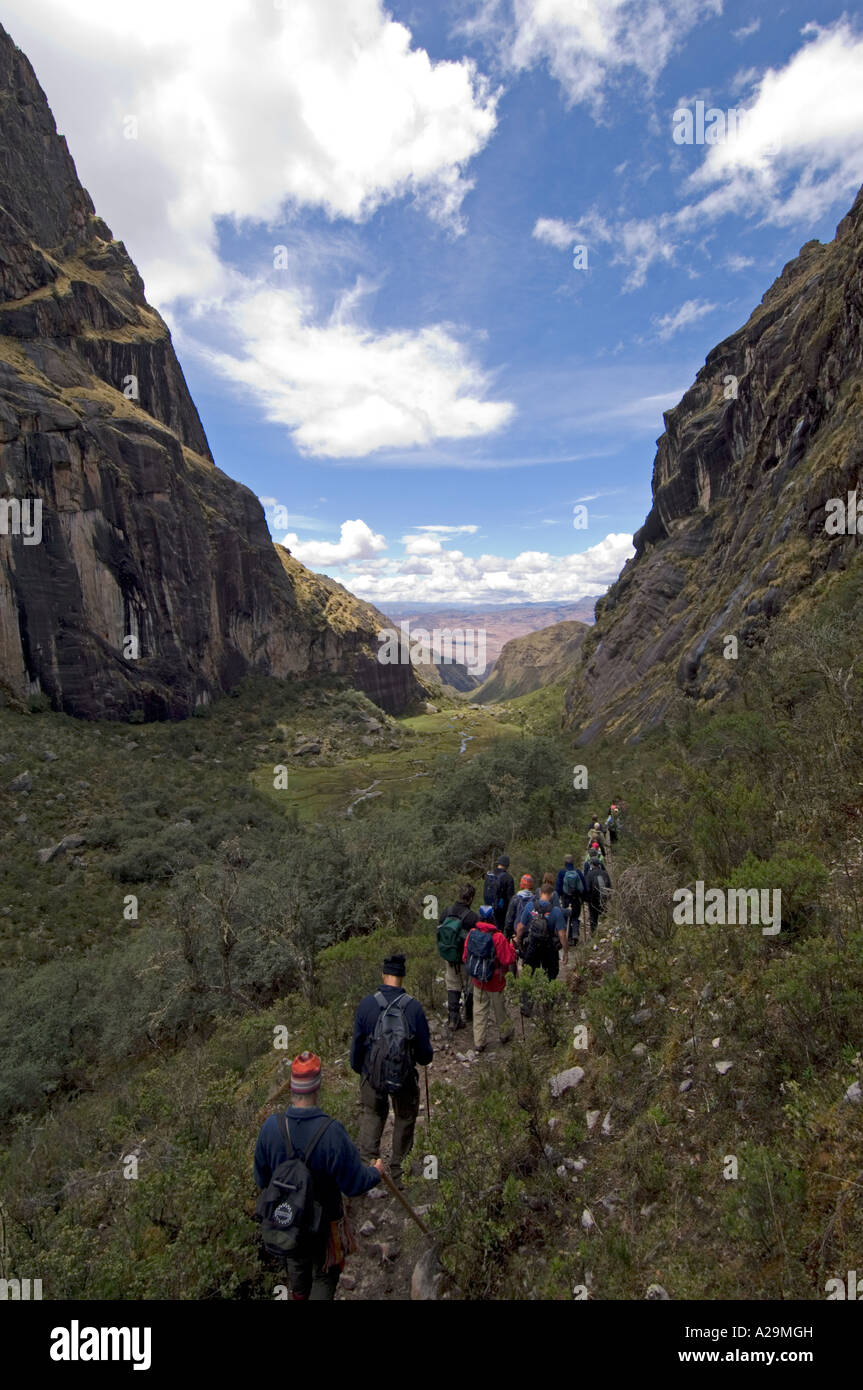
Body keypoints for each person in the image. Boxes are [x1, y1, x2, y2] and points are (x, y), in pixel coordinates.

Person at [254, 1050, 383, 1301]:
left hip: (288, 1221)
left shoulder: (271, 1127)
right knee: (325, 1273)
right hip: (325, 1225)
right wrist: (375, 1173)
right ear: (317, 1086)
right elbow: (354, 1184)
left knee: (297, 1269)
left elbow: (261, 1180)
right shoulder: (331, 1132)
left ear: (291, 1087)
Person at [351, 953, 433, 1186]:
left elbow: (357, 1045)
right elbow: (425, 1055)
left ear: (384, 974)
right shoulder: (413, 1008)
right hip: (404, 1077)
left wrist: (361, 1070)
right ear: (402, 976)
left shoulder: (367, 1005)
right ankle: (399, 1171)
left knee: (373, 1113)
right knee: (405, 1117)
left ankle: (369, 1169)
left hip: (372, 1074)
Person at [463, 905, 515, 1052]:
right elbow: (507, 959)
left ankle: (479, 1042)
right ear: (492, 918)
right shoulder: (498, 937)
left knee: (479, 1010)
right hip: (495, 981)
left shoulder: (472, 933)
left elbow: (465, 956)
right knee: (499, 1009)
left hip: (478, 980)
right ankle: (504, 1034)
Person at [437, 883, 477, 1031]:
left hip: (449, 955)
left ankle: (453, 1019)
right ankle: (469, 1014)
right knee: (469, 985)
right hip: (466, 957)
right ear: (471, 898)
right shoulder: (472, 917)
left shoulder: (446, 911)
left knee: (452, 985)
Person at [516, 890, 568, 979]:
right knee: (550, 976)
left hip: (532, 946)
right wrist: (565, 952)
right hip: (549, 948)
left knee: (529, 976)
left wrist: (519, 944)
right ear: (551, 895)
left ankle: (530, 992)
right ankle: (547, 991)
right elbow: (562, 935)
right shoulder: (556, 911)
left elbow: (520, 927)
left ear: (540, 894)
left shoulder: (529, 906)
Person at [557, 853, 586, 943]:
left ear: (565, 863)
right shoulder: (578, 872)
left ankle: (568, 937)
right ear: (573, 862)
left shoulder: (562, 873)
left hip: (566, 899)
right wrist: (583, 898)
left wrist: (559, 896)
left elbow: (558, 888)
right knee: (575, 916)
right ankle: (575, 934)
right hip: (576, 898)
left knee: (567, 916)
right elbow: (584, 887)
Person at [584, 854, 612, 939]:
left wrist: (586, 899)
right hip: (604, 899)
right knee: (604, 916)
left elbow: (587, 888)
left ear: (591, 864)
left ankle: (594, 936)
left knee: (593, 919)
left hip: (593, 900)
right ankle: (606, 934)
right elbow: (609, 886)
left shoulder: (589, 875)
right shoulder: (605, 873)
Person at [484, 854, 515, 932]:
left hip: (487, 910)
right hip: (501, 913)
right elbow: (510, 898)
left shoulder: (489, 875)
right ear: (507, 865)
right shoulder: (508, 878)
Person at [504, 873, 535, 940]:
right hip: (530, 932)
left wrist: (507, 933)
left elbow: (510, 918)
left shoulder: (516, 898)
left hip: (516, 932)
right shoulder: (535, 899)